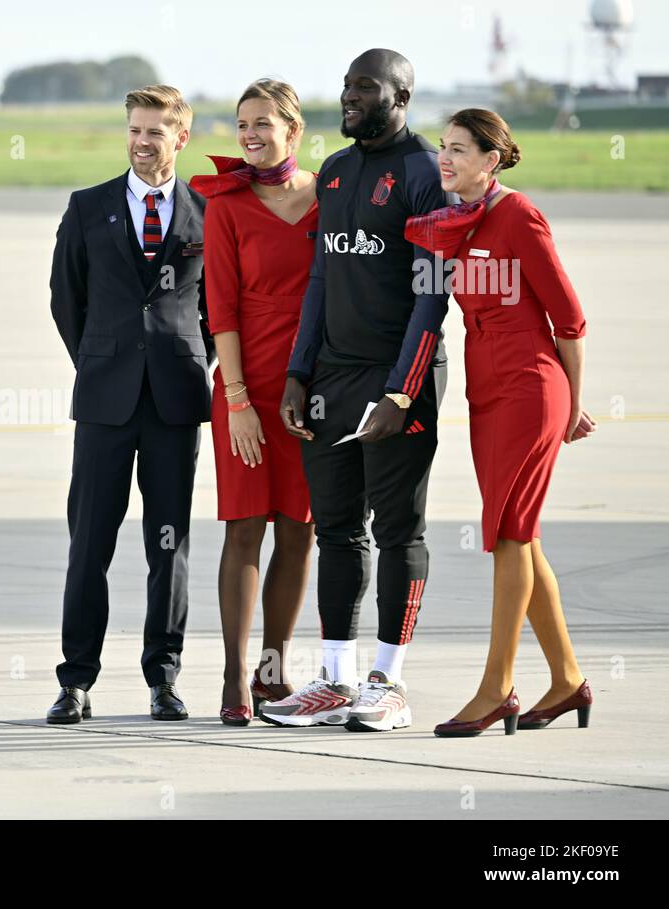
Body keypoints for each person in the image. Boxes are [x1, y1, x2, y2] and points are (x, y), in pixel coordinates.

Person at [262, 48, 456, 732]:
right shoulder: (338, 173)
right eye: (345, 85)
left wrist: (402, 392)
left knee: (398, 528)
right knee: (337, 529)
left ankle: (388, 682)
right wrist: (297, 370)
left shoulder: (427, 174)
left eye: (363, 87)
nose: (348, 96)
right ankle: (336, 680)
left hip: (399, 380)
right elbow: (320, 279)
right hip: (330, 380)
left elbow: (432, 296)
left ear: (400, 95)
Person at [404, 110, 596, 737]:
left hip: (530, 386)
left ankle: (497, 688)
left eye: (459, 150)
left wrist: (571, 402)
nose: (445, 159)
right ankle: (567, 681)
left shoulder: (519, 216)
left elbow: (569, 321)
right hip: (487, 391)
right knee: (523, 535)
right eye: (442, 147)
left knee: (508, 535)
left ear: (492, 159)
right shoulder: (456, 217)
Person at [47, 86, 212, 724]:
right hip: (104, 399)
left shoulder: (206, 213)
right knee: (89, 542)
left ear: (181, 138)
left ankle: (163, 680)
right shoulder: (87, 207)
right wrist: (100, 358)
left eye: (156, 133)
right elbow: (68, 300)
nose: (143, 143)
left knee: (168, 547)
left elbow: (217, 308)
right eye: (134, 131)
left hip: (174, 400)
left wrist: (193, 362)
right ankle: (75, 681)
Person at [189, 79, 316, 726]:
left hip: (311, 389)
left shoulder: (329, 196)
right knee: (245, 527)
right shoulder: (228, 205)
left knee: (299, 528)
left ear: (292, 128)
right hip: (246, 385)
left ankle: (273, 668)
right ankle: (235, 674)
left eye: (263, 123)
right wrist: (236, 398)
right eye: (243, 124)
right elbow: (222, 307)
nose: (250, 135)